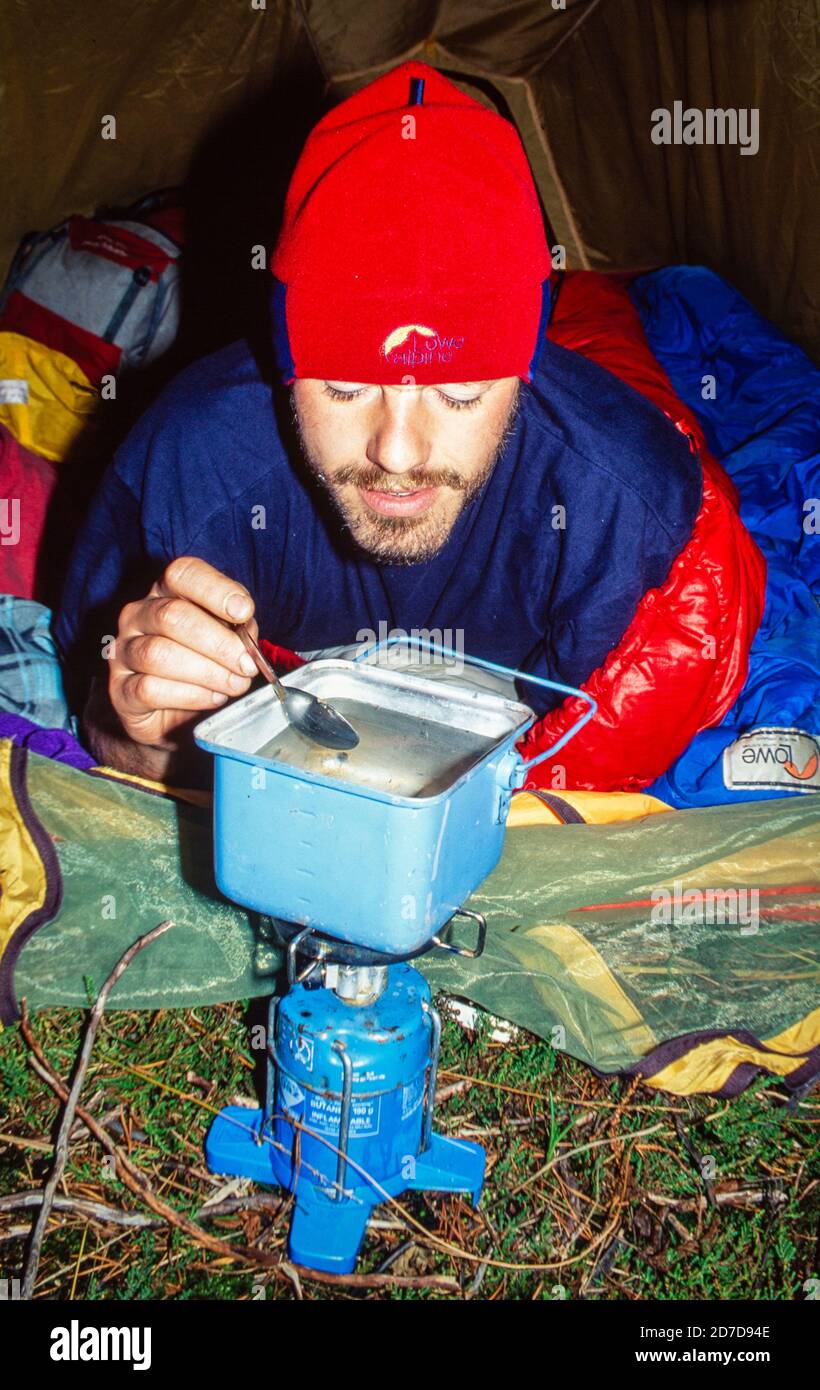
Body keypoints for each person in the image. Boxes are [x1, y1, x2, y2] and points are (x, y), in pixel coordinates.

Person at [54, 62, 763, 790]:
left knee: (620, 313)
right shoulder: (189, 465)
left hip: (594, 382)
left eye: (458, 392)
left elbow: (603, 749)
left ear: (521, 370)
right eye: (344, 386)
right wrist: (143, 730)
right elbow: (103, 723)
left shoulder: (620, 498)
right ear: (286, 363)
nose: (395, 452)